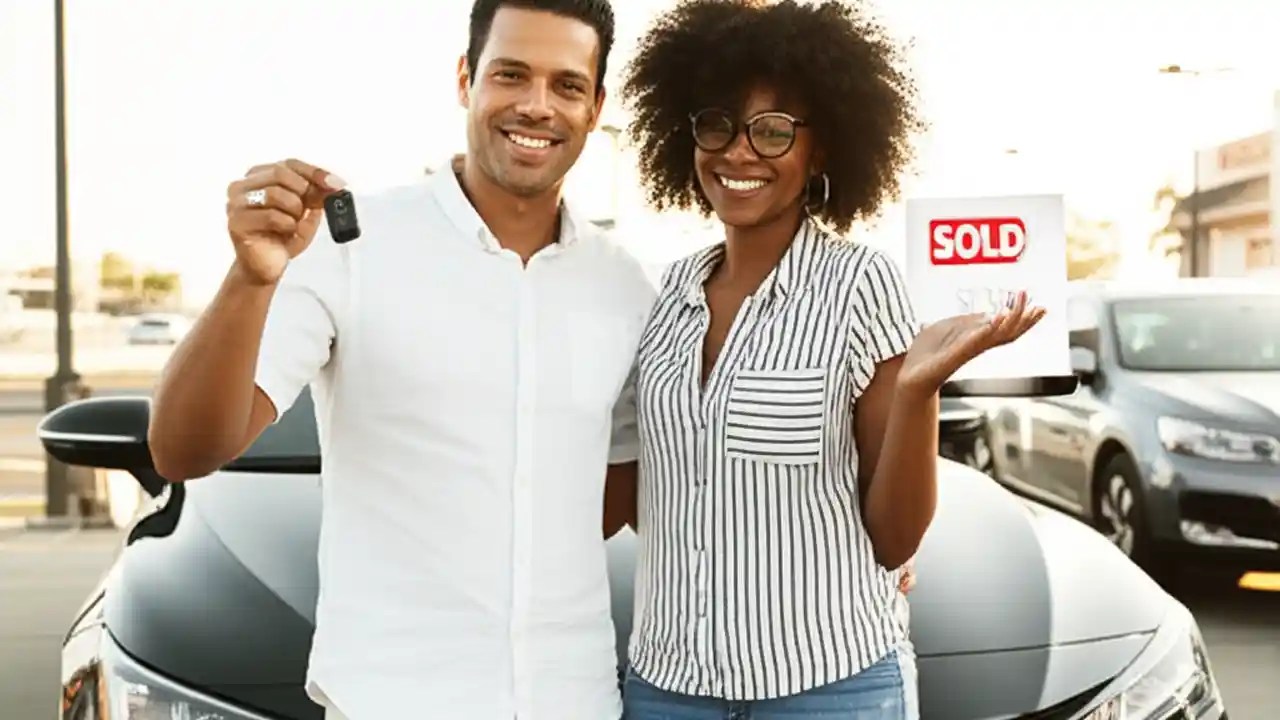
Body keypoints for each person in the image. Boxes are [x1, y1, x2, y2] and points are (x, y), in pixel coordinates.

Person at [147, 1, 653, 718]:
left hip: (575, 701)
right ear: (465, 81)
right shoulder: (349, 246)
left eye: (567, 85)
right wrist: (250, 280)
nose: (537, 106)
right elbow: (181, 449)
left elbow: (613, 495)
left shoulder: (626, 285)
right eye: (511, 75)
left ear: (596, 106)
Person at [615, 1, 1045, 717]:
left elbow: (894, 539)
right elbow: (652, 497)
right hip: (667, 689)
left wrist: (918, 391)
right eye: (717, 123)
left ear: (821, 149)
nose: (739, 151)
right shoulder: (666, 294)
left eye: (774, 130)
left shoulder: (860, 285)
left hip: (827, 688)